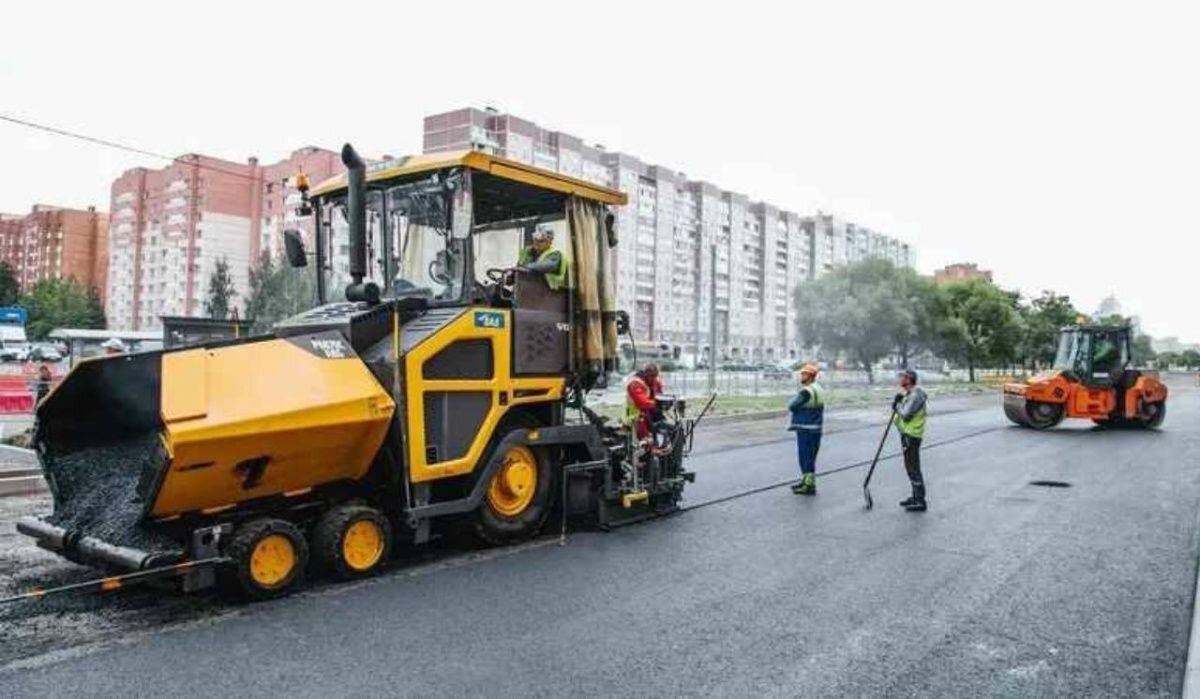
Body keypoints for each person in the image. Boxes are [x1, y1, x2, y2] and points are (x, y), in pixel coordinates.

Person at [893, 368, 928, 512]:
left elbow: (906, 414)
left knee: (913, 467)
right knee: (909, 466)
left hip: (911, 435)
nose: (900, 379)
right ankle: (915, 496)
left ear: (909, 379)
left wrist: (897, 406)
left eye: (902, 377)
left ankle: (920, 500)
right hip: (907, 434)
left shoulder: (916, 395)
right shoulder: (910, 394)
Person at [788, 363, 825, 495]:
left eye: (803, 374)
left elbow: (792, 405)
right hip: (816, 428)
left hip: (805, 428)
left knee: (805, 456)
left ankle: (808, 485)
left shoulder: (806, 391)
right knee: (811, 456)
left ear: (809, 376)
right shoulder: (819, 388)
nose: (801, 376)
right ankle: (806, 480)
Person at [516, 226, 567, 291]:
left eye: (541, 241)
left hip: (550, 293)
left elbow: (549, 265)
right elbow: (518, 267)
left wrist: (526, 267)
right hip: (525, 291)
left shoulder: (555, 253)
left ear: (550, 242)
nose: (536, 242)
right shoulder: (527, 252)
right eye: (535, 239)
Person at [626, 362, 664, 440]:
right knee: (642, 424)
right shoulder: (635, 384)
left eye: (655, 375)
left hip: (649, 413)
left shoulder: (654, 382)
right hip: (635, 415)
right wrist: (658, 403)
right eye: (652, 376)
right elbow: (642, 403)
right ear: (645, 374)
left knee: (664, 424)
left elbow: (660, 395)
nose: (654, 378)